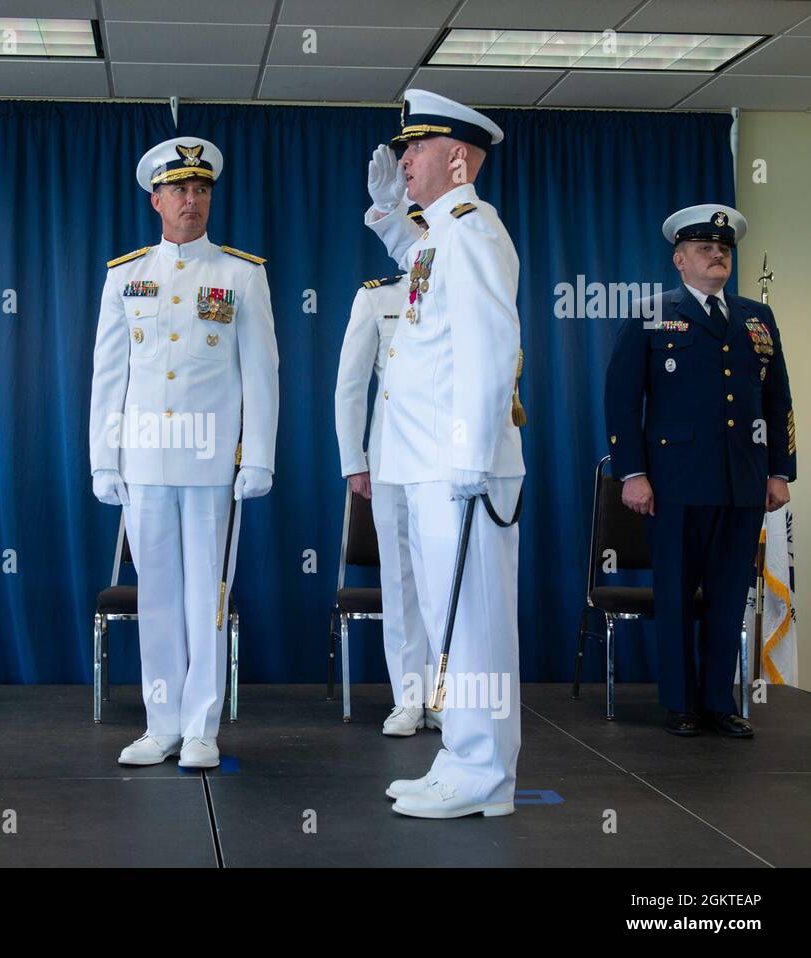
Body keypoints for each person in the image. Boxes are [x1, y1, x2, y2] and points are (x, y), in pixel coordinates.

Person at [88, 137, 279, 770]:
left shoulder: (240, 275)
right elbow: (108, 374)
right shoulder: (126, 275)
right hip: (144, 461)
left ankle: (201, 727)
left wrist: (259, 457)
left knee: (206, 598)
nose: (190, 200)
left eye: (200, 190)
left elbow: (262, 374)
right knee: (158, 596)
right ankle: (161, 722)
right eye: (178, 190)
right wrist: (103, 458)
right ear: (156, 199)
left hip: (209, 462)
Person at [366, 90, 526, 819]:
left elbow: (492, 347)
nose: (404, 159)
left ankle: (488, 774)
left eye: (416, 148)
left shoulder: (474, 229)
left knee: (477, 627)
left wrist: (469, 455)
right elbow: (417, 263)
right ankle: (463, 754)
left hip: (461, 469)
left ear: (456, 159)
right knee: (447, 619)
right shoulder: (440, 235)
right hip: (429, 465)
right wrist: (389, 215)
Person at [604, 204, 795, 737]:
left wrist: (779, 470)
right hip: (675, 482)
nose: (718, 256)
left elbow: (777, 400)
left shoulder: (757, 317)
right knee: (677, 591)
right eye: (706, 249)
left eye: (724, 249)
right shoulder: (650, 312)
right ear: (679, 259)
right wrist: (633, 474)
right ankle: (681, 702)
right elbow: (622, 402)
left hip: (741, 479)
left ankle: (718, 702)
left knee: (729, 594)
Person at [334, 271, 439, 736]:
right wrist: (354, 460)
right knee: (399, 578)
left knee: (446, 580)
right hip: (392, 457)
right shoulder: (378, 297)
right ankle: (408, 698)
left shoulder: (464, 285)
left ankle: (446, 696)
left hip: (448, 461)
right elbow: (351, 385)